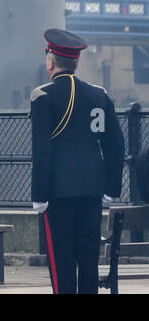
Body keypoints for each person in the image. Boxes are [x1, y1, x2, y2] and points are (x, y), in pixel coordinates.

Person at [30, 28, 124, 294]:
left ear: (51, 61)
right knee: (88, 256)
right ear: (76, 62)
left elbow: (42, 150)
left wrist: (39, 195)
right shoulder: (99, 95)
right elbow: (115, 144)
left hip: (57, 192)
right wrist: (111, 188)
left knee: (62, 260)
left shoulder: (43, 96)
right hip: (93, 190)